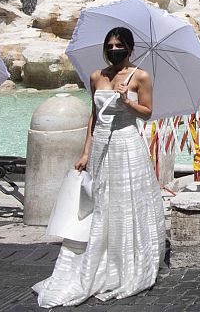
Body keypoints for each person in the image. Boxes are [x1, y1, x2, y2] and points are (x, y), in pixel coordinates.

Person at [33, 27, 163, 308]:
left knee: (124, 204)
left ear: (130, 48)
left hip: (127, 144)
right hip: (102, 146)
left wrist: (128, 101)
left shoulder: (140, 76)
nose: (114, 49)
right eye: (110, 45)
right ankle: (96, 256)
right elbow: (94, 116)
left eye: (119, 45)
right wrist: (85, 152)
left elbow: (148, 112)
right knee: (99, 203)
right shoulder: (96, 76)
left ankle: (123, 264)